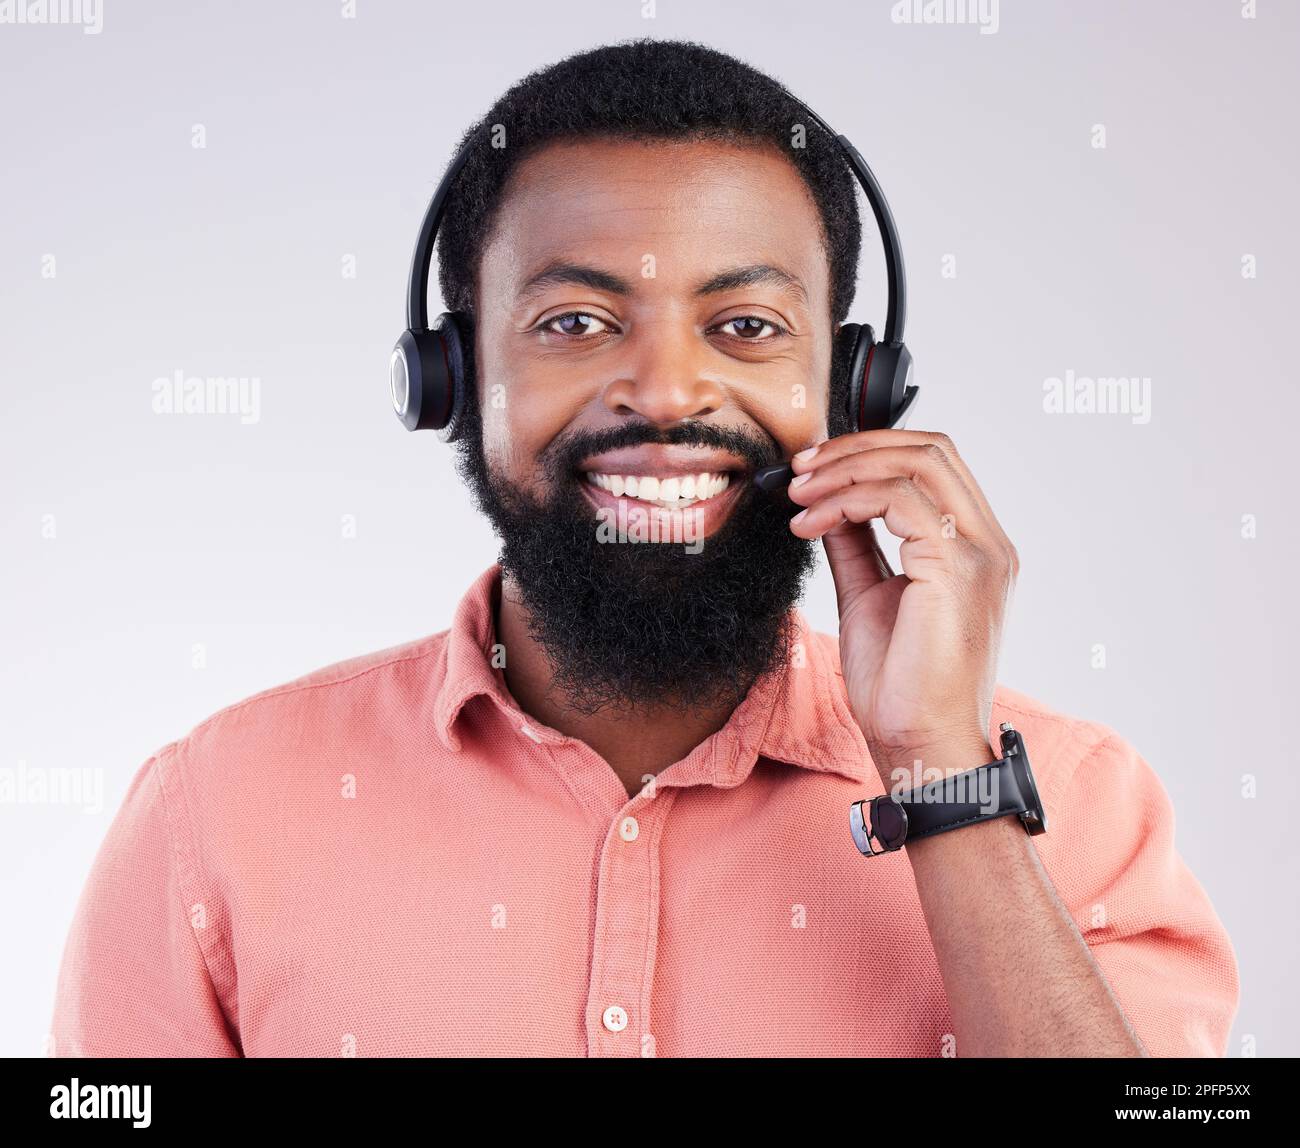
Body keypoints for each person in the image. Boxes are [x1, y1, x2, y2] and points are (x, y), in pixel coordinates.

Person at [50, 39, 1238, 1058]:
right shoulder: (214, 814)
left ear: (857, 380)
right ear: (453, 378)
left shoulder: (1074, 811)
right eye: (575, 321)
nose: (668, 388)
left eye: (746, 326)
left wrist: (939, 770)